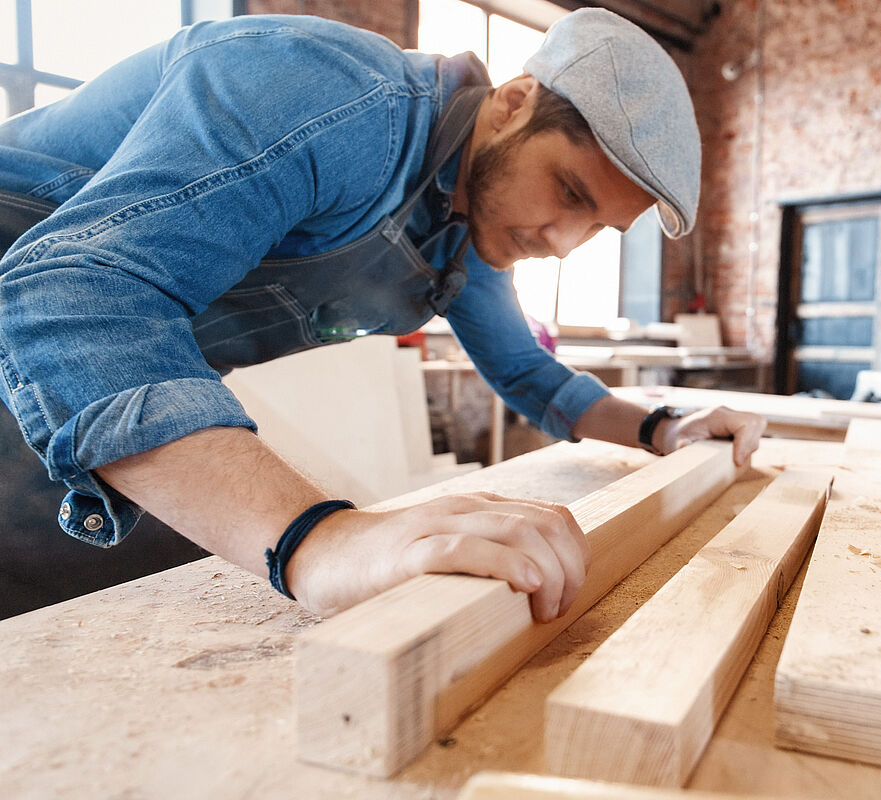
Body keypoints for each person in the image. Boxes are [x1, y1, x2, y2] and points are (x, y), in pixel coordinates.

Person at [0, 9, 765, 621]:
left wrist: (662, 427)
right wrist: (321, 540)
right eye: (569, 192)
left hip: (95, 375)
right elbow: (73, 293)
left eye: (597, 226)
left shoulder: (462, 222)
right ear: (514, 103)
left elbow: (529, 374)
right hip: (48, 324)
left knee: (138, 606)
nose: (565, 245)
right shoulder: (323, 93)